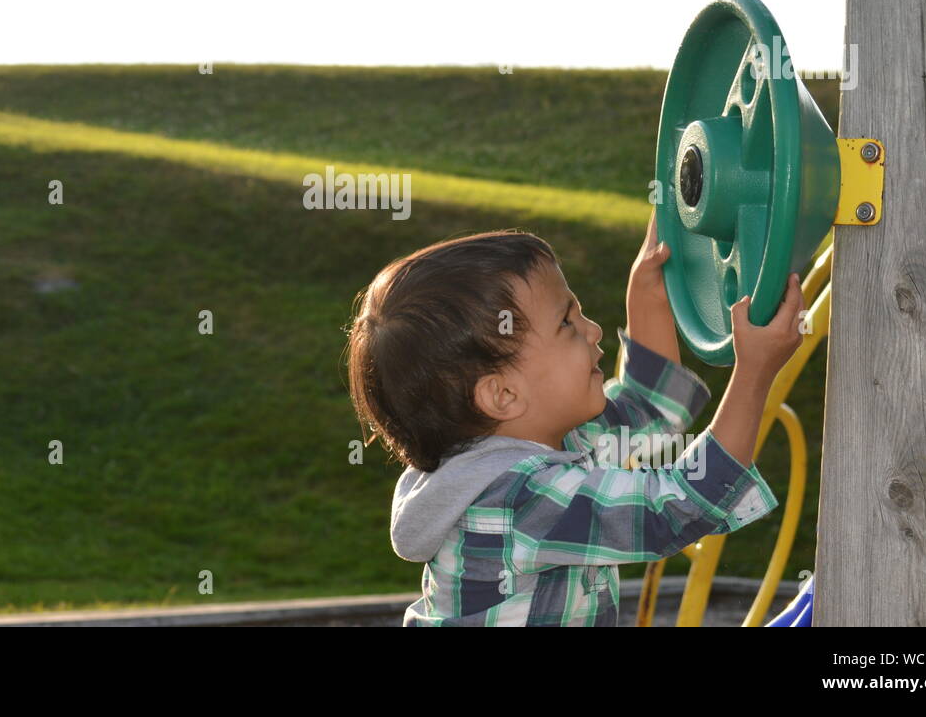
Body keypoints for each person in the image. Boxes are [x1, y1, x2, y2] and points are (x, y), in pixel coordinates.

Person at [344, 213, 805, 625]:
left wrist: (649, 294)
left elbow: (649, 409)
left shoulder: (547, 442)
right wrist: (754, 373)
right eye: (567, 322)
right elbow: (677, 507)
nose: (593, 330)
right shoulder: (515, 498)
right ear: (503, 394)